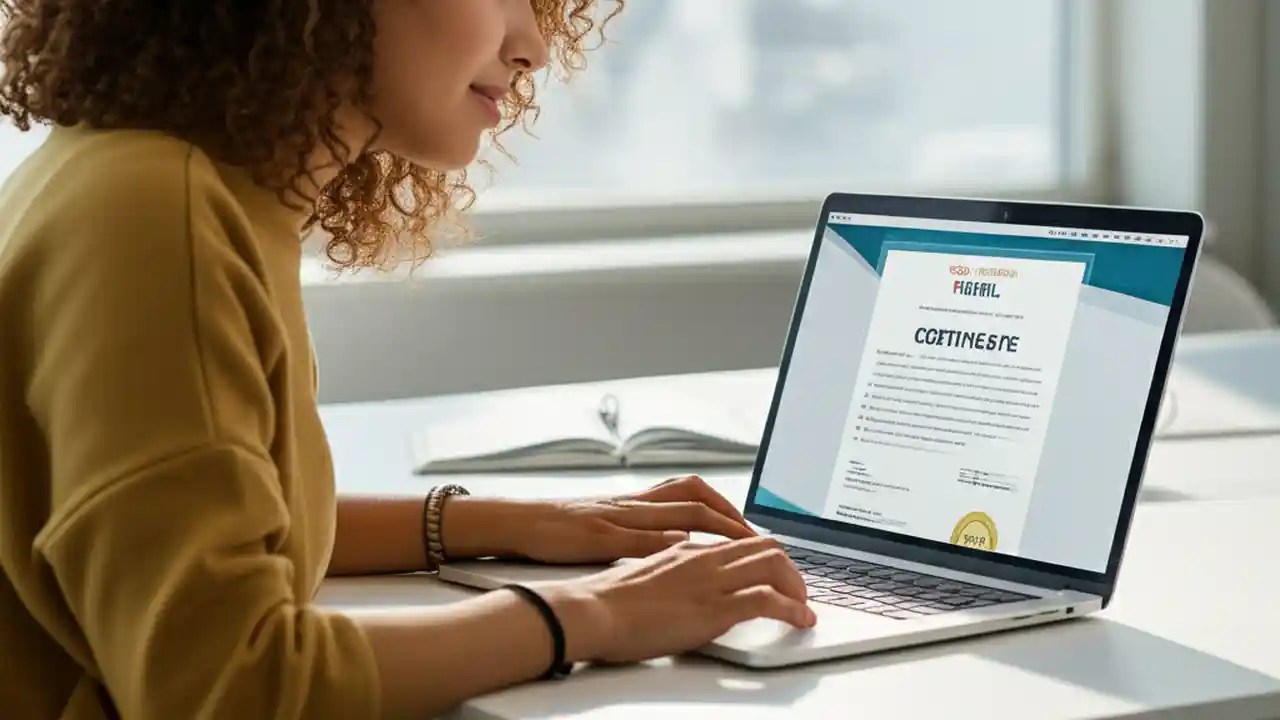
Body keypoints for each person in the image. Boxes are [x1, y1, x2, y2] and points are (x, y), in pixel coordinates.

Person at [0, 1, 816, 718]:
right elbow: (228, 688)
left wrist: (512, 523)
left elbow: (224, 522)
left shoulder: (171, 185)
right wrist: (594, 615)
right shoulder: (155, 218)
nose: (533, 46)